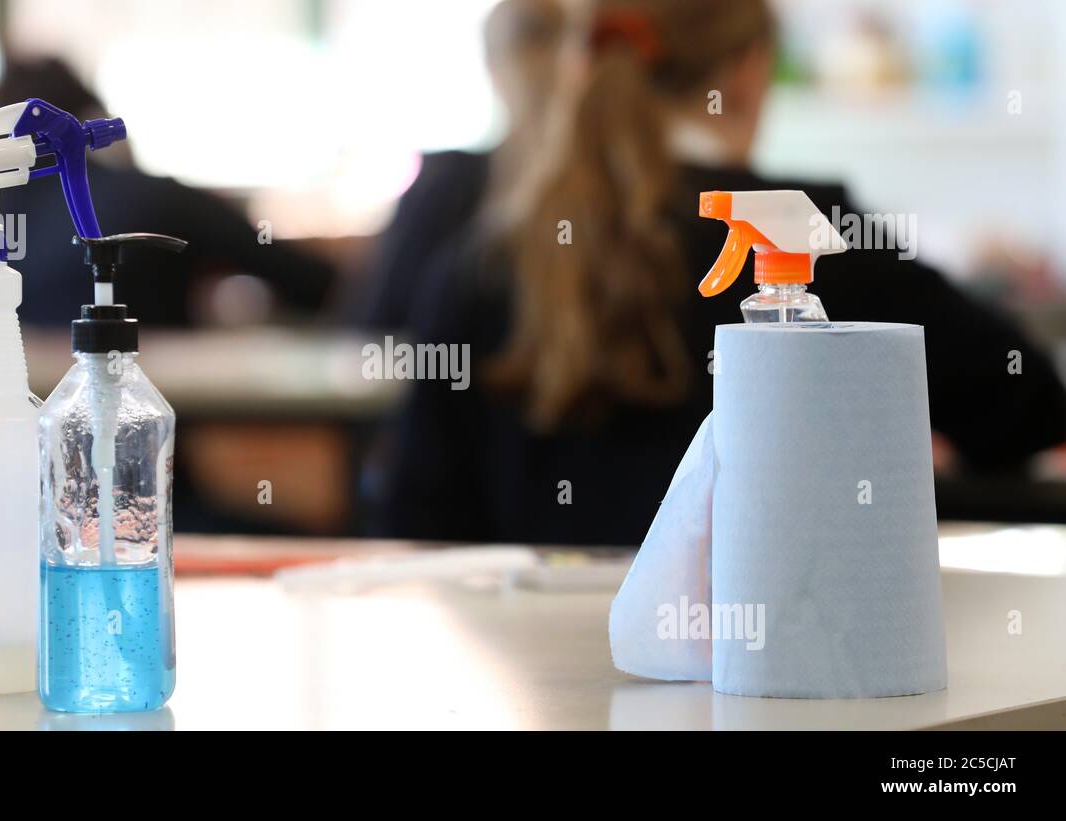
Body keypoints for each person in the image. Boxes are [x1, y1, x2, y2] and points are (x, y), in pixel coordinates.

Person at [378, 0, 1066, 545]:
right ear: (746, 71)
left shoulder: (481, 262)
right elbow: (1027, 403)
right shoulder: (809, 233)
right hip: (771, 687)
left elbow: (416, 517)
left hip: (533, 696)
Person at [0, 57, 337, 327]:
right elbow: (306, 279)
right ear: (89, 121)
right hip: (149, 408)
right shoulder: (159, 200)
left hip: (8, 419)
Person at [354, 0, 565, 330]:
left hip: (438, 370)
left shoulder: (448, 186)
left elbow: (377, 324)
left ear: (492, 68)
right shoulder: (621, 186)